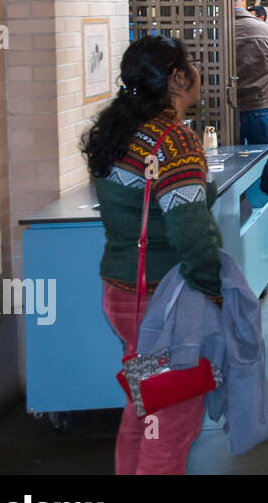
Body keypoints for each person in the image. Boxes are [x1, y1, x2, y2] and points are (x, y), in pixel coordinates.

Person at [80, 35, 221, 474]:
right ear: (177, 78)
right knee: (174, 421)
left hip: (124, 294)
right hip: (166, 302)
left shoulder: (119, 134)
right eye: (192, 64)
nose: (198, 72)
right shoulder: (172, 142)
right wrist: (215, 292)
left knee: (145, 409)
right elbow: (192, 236)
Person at [232, 0, 268, 276]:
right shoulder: (266, 30)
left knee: (231, 185)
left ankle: (236, 254)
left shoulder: (216, 32)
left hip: (227, 116)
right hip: (265, 113)